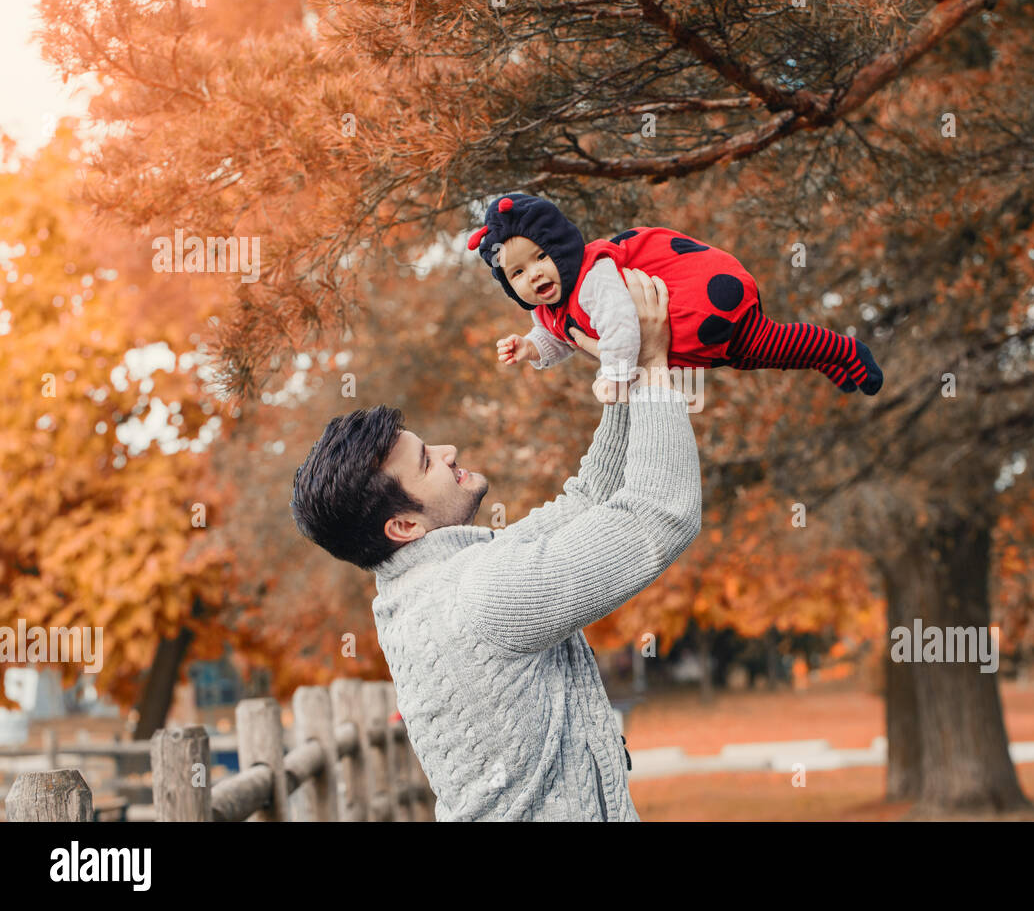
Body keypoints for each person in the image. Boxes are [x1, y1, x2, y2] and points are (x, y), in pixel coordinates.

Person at [290, 270, 700, 820]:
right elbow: (659, 515)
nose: (450, 449)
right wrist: (655, 369)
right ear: (403, 526)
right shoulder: (479, 593)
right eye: (427, 462)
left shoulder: (432, 585)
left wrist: (622, 373)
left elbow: (588, 500)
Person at [470, 192, 884, 400]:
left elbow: (621, 326)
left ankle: (846, 350)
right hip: (702, 341)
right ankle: (829, 359)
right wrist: (530, 347)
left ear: (560, 248)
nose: (535, 273)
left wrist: (613, 377)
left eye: (541, 256)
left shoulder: (593, 278)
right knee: (767, 354)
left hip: (704, 309)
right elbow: (562, 339)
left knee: (770, 341)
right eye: (519, 272)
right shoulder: (550, 311)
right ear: (511, 285)